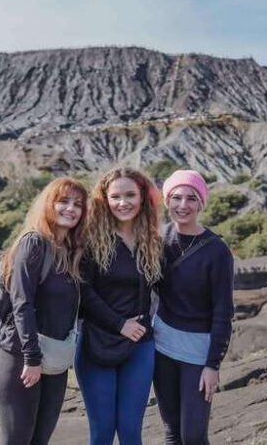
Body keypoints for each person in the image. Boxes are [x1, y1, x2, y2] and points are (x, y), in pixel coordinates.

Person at [0, 177, 88, 445]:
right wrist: (32, 358)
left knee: (40, 440)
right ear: (49, 204)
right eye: (63, 201)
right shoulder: (33, 243)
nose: (71, 209)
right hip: (21, 357)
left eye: (78, 204)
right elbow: (22, 303)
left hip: (54, 359)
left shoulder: (71, 250)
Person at [76, 167, 163, 445]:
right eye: (115, 196)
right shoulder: (90, 239)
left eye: (130, 195)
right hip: (97, 343)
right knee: (102, 433)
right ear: (104, 200)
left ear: (142, 197)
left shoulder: (152, 240)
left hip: (140, 345)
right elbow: (82, 290)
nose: (123, 202)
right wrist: (119, 324)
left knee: (130, 432)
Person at [152, 170, 234, 445]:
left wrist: (213, 365)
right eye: (176, 197)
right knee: (172, 433)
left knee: (194, 436)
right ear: (167, 201)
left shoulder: (217, 251)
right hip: (162, 348)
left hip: (198, 355)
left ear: (201, 203)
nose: (183, 205)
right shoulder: (158, 239)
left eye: (191, 198)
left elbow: (223, 312)